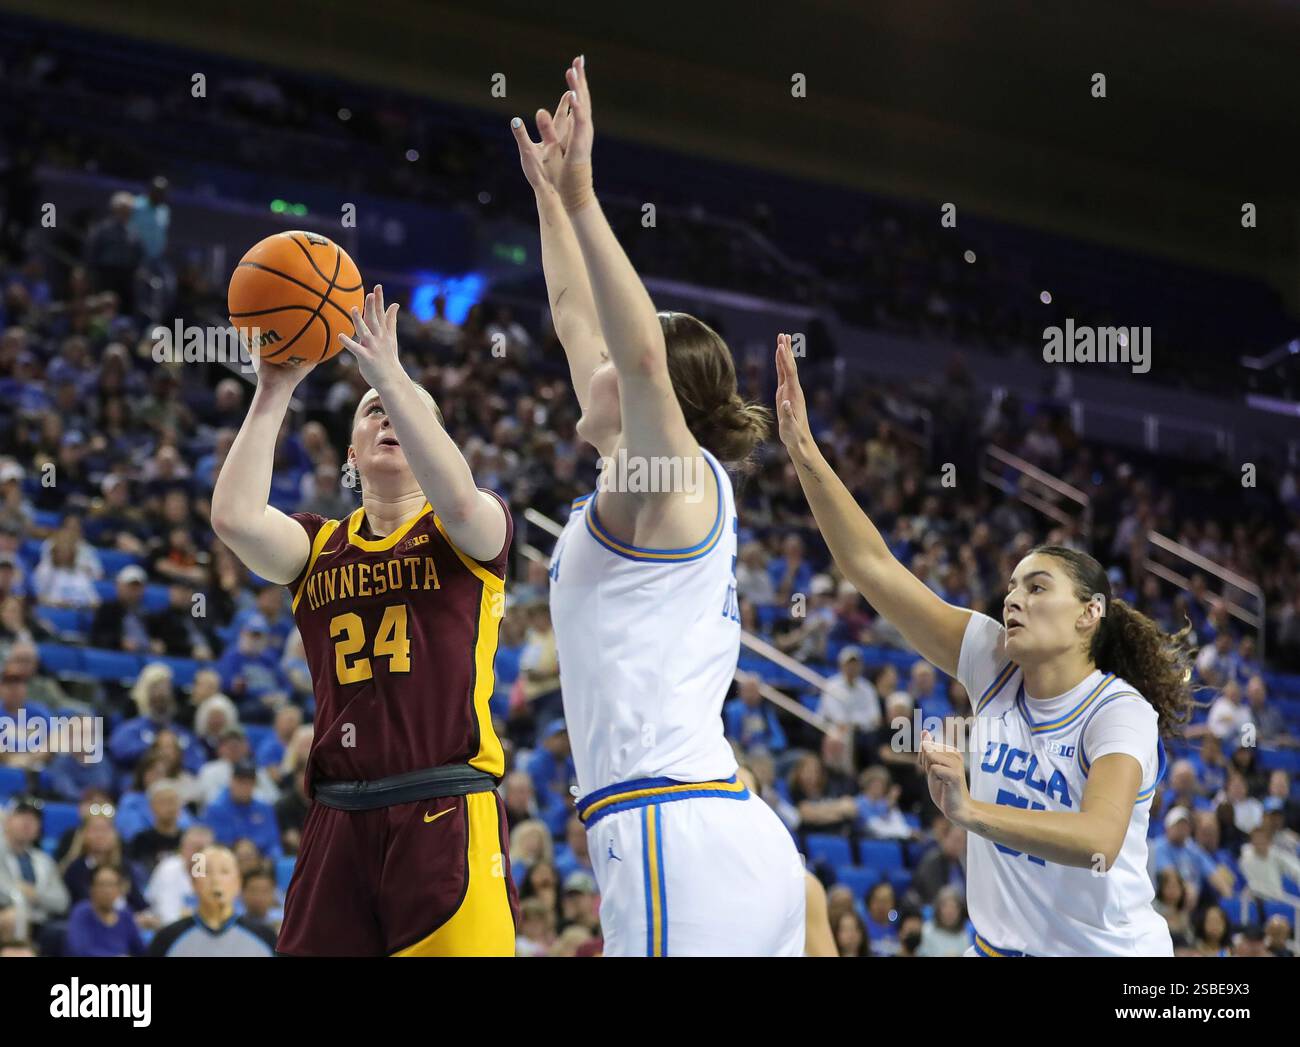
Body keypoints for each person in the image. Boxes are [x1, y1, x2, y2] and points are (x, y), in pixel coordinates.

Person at [514, 57, 804, 955]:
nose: (593, 361)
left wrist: (590, 194)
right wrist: (552, 198)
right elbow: (574, 313)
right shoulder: (637, 484)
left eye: (619, 362)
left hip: (673, 831)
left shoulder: (677, 484)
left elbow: (635, 359)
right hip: (703, 827)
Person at [774, 336, 1193, 955]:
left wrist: (971, 814)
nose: (1013, 598)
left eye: (1037, 586)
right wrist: (805, 451)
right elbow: (873, 568)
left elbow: (1100, 839)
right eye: (1012, 585)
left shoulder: (1118, 710)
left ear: (1089, 613)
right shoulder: (992, 659)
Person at [211, 277, 517, 956]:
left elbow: (462, 503)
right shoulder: (317, 544)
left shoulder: (473, 528)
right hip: (338, 816)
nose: (388, 418)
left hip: (443, 806)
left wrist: (390, 375)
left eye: (405, 414)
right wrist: (274, 389)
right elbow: (233, 517)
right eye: (373, 411)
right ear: (351, 455)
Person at [148, 845, 276, 957]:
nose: (216, 880)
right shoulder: (167, 939)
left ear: (238, 883)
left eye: (224, 872)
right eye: (206, 872)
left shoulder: (266, 938)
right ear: (193, 883)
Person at [63, 865, 146, 957]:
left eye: (111, 885)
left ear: (119, 889)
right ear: (91, 888)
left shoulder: (125, 915)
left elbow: (141, 950)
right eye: (102, 885)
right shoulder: (81, 912)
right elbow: (78, 950)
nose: (107, 891)